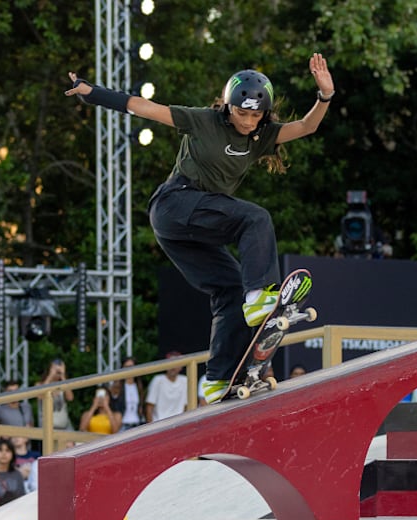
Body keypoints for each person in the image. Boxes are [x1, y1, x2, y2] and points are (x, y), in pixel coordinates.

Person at [65, 53, 334, 404]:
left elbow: (306, 126)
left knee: (229, 290)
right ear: (227, 106)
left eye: (255, 116)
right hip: (174, 205)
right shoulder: (203, 120)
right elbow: (147, 107)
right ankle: (258, 296)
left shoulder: (263, 135)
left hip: (192, 228)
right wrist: (93, 93)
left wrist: (324, 96)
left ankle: (217, 379)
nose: (248, 122)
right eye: (242, 113)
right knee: (255, 218)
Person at [36, 359, 75, 431]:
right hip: (48, 427)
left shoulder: (63, 384)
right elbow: (40, 396)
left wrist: (63, 376)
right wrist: (50, 376)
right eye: (56, 371)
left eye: (58, 372)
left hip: (64, 425)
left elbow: (70, 398)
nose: (57, 374)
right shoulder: (40, 384)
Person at [118, 357, 145, 429]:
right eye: (126, 367)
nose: (129, 369)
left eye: (131, 367)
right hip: (123, 425)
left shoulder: (139, 386)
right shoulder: (118, 386)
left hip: (137, 424)